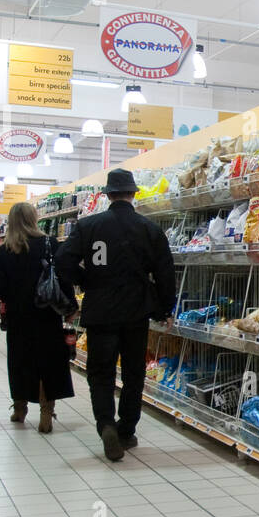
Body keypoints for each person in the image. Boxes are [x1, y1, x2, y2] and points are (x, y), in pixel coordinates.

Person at [56, 169, 175, 461]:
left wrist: (84, 280)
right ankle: (126, 430)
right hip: (136, 310)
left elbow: (62, 261)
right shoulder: (150, 229)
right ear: (134, 194)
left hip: (100, 309)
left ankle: (106, 423)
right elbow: (165, 273)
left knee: (101, 372)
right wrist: (163, 308)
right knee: (134, 372)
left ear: (108, 195)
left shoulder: (88, 226)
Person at [0, 202, 74, 433]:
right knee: (48, 362)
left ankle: (20, 408)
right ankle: (46, 413)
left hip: (19, 316)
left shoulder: (4, 251)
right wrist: (70, 306)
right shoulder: (50, 244)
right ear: (34, 218)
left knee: (20, 361)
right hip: (47, 313)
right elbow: (62, 278)